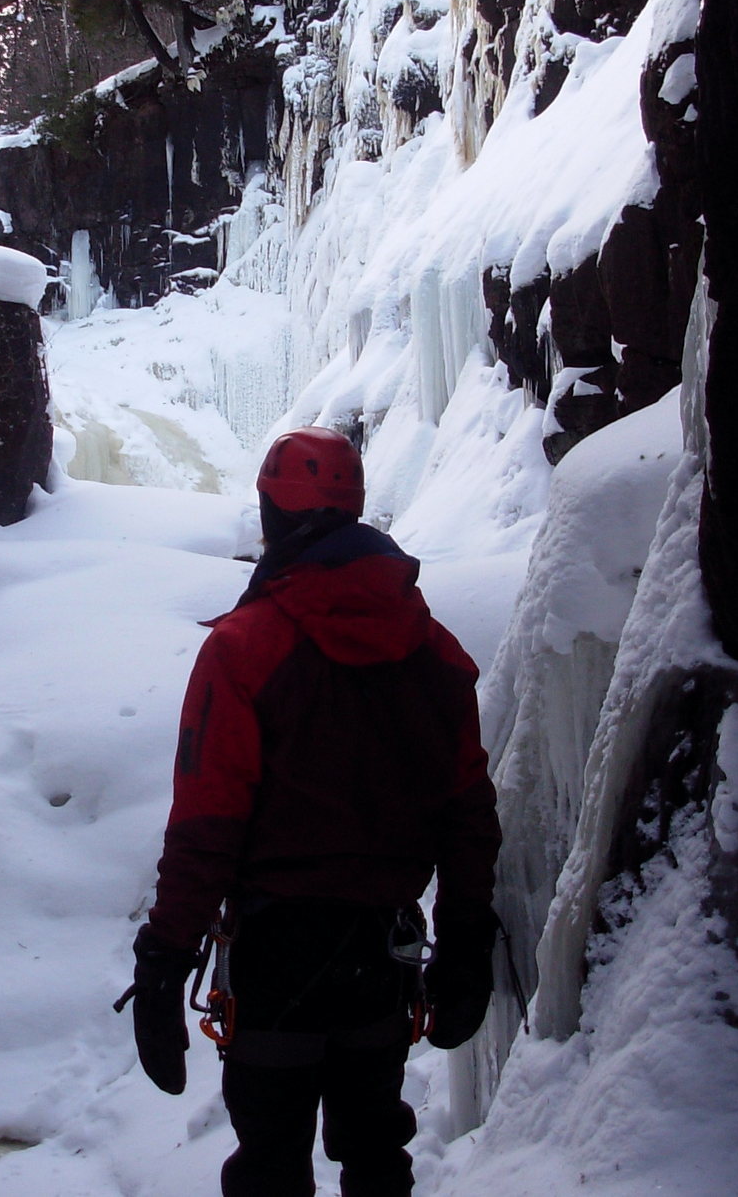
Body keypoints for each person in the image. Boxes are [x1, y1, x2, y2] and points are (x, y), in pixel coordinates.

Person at [125, 426, 502, 1196]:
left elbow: (207, 824)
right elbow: (467, 815)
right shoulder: (436, 652)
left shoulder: (244, 649)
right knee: (374, 1152)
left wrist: (166, 957)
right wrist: (466, 940)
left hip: (276, 953)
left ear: (271, 515)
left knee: (270, 1160)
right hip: (384, 953)